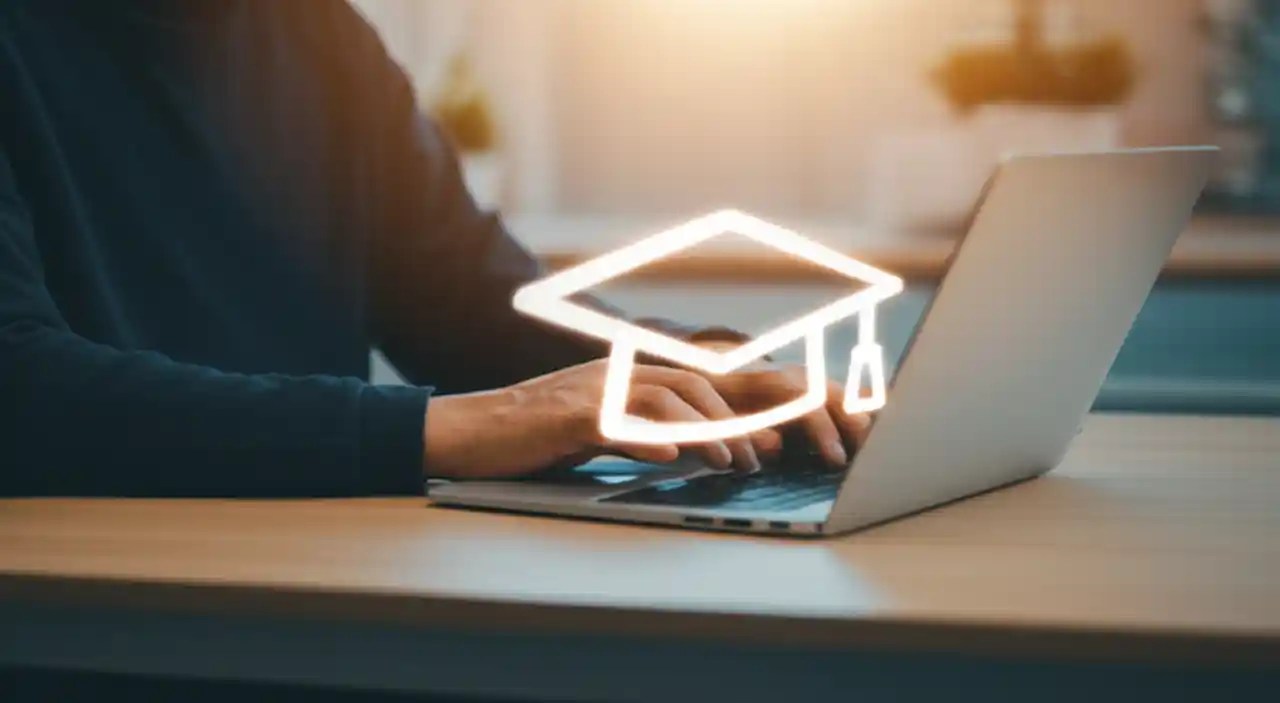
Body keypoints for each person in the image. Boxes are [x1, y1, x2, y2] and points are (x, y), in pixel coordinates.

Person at [0, 0, 867, 498]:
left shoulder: (316, 36)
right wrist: (462, 424)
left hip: (316, 576)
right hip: (111, 610)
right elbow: (21, 388)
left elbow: (460, 294)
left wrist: (697, 369)